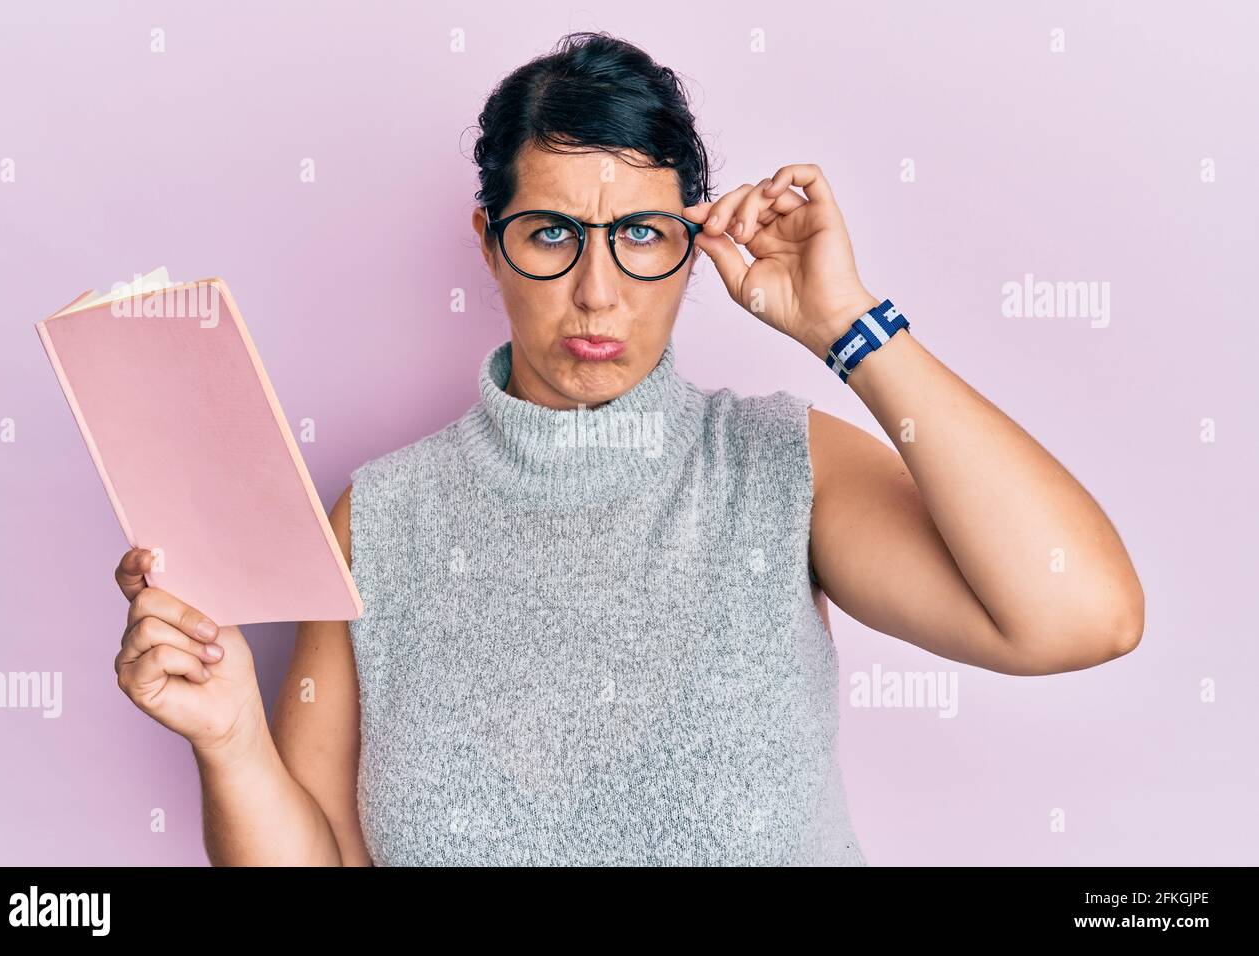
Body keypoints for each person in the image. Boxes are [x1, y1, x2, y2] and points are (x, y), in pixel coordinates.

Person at [112, 31, 1144, 866]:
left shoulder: (779, 469)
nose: (596, 293)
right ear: (488, 238)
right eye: (552, 233)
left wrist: (847, 324)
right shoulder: (381, 519)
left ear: (694, 245)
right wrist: (231, 739)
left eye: (643, 236)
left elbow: (1080, 615)